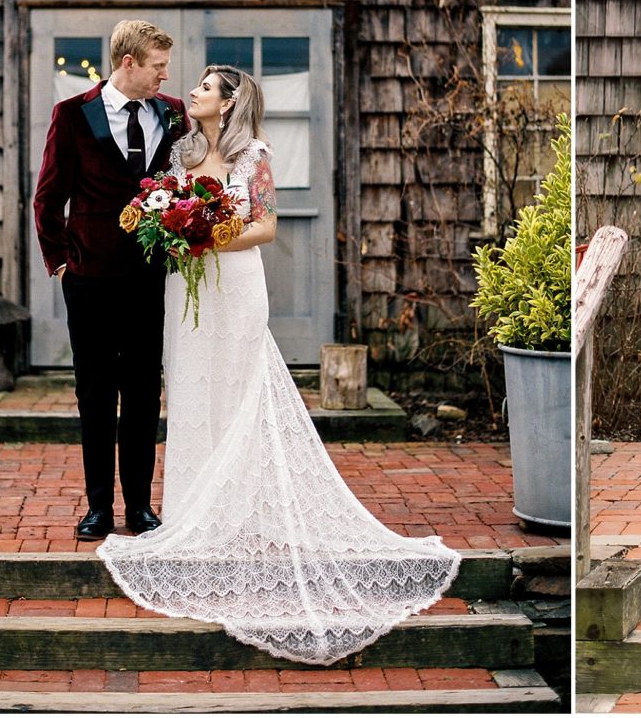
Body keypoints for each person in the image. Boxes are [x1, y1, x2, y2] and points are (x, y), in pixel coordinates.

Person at [96, 65, 460, 665]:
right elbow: (162, 210)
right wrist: (171, 229)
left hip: (234, 284)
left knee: (239, 392)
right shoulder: (181, 151)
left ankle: (240, 514)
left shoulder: (254, 154)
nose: (192, 92)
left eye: (205, 88)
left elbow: (265, 227)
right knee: (190, 392)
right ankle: (195, 516)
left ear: (228, 101)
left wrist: (207, 238)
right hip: (186, 289)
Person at [34, 19, 185, 541]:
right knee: (95, 394)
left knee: (144, 392)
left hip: (151, 280)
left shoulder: (174, 114)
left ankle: (140, 508)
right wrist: (59, 262)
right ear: (128, 63)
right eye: (158, 67)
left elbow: (185, 184)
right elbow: (48, 197)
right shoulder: (73, 115)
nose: (166, 76)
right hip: (90, 279)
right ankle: (98, 506)